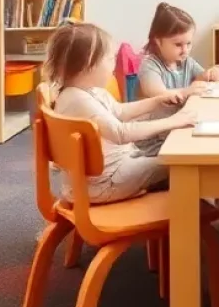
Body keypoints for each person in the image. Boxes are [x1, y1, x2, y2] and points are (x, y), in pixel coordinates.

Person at [44, 21, 195, 204]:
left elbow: (119, 111)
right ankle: (187, 220)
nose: (114, 65)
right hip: (104, 183)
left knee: (167, 153)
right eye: (110, 59)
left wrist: (156, 101)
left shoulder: (88, 90)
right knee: (182, 165)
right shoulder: (78, 99)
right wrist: (174, 121)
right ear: (87, 65)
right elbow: (121, 133)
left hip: (109, 173)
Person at [134, 3, 219, 156]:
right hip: (156, 138)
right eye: (178, 44)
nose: (185, 50)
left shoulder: (185, 61)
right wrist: (187, 91)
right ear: (158, 41)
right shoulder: (150, 65)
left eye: (188, 43)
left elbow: (202, 78)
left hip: (178, 129)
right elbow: (159, 94)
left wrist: (212, 73)